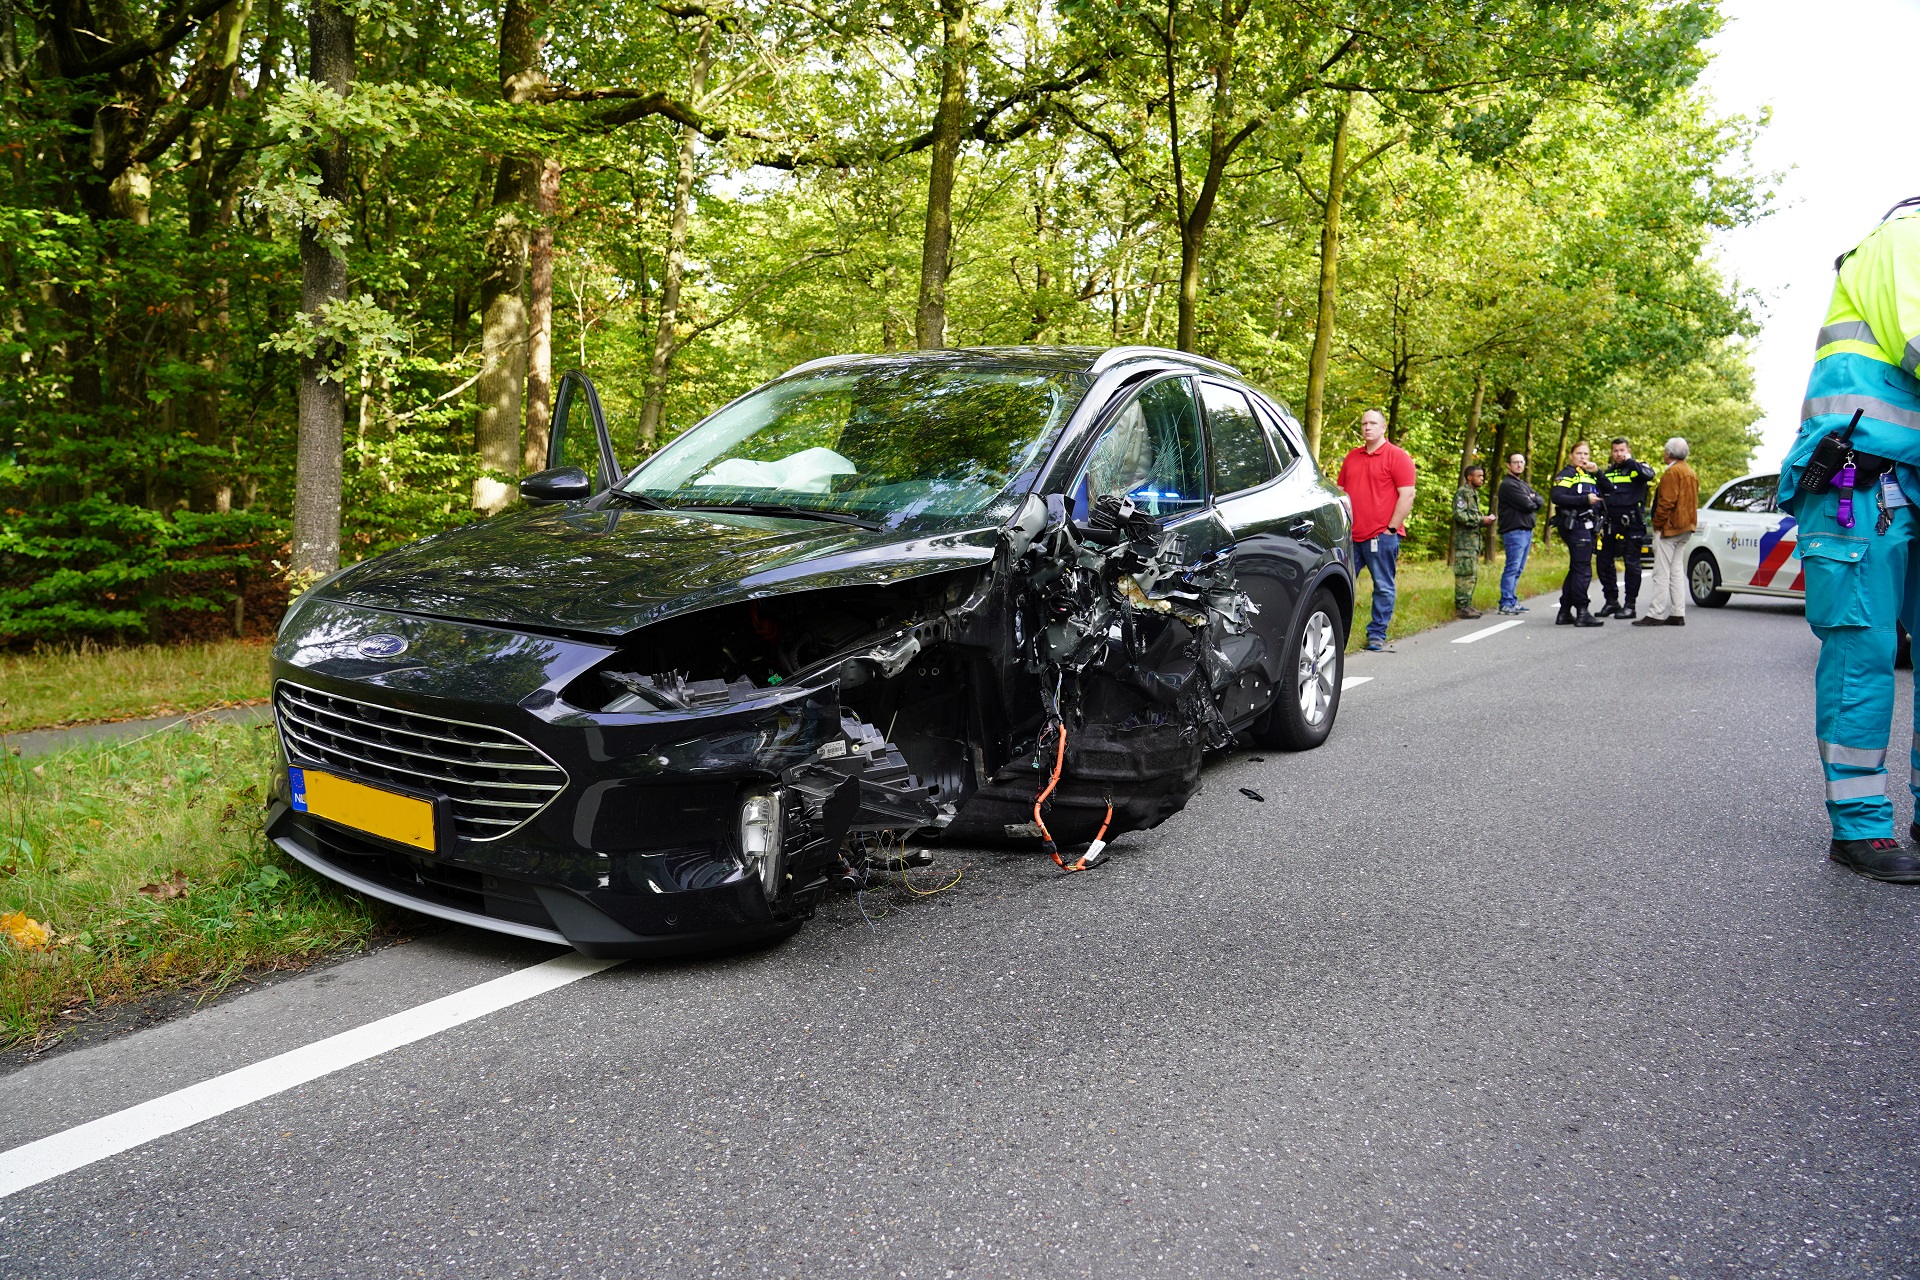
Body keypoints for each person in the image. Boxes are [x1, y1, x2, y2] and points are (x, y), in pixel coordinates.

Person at [1775, 196, 1920, 883]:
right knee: (1863, 653)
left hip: (1895, 482)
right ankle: (1860, 825)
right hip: (1862, 486)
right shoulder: (1908, 235)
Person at [1336, 408, 1417, 652]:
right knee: (1342, 585)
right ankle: (1338, 634)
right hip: (1351, 536)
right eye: (1363, 424)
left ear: (1383, 427)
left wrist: (1391, 529)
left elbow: (1408, 495)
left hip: (1381, 536)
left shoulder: (1398, 456)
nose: (1367, 427)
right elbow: (1340, 492)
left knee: (1382, 585)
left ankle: (1376, 634)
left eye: (1372, 423)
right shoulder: (1352, 457)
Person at [1633, 439, 1698, 628]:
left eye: (1664, 451)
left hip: (1670, 528)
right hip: (1686, 526)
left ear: (1669, 453)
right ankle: (1678, 612)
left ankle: (1656, 613)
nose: (1663, 454)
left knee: (1661, 571)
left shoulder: (1672, 472)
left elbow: (1667, 502)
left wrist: (1658, 524)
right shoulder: (1690, 472)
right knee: (1676, 571)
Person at [1595, 437, 1656, 619]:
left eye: (1622, 450)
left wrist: (1631, 461)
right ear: (1611, 452)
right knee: (1604, 562)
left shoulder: (1637, 468)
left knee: (1631, 563)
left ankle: (1630, 605)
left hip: (1632, 523)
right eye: (1615, 451)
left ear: (1628, 450)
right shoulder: (1609, 472)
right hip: (1611, 523)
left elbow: (1649, 475)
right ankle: (1611, 601)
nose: (1619, 454)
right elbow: (1602, 493)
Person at [1549, 441, 1605, 627]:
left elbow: (1610, 489)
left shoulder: (1590, 475)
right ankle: (1582, 612)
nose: (1583, 457)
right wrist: (1584, 499)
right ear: (1571, 455)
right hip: (1574, 525)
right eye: (1579, 453)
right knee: (1583, 569)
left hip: (1588, 526)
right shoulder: (1567, 474)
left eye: (1586, 454)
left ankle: (1565, 611)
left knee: (1577, 568)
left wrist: (1597, 472)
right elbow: (1557, 497)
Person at [1495, 453, 1543, 615]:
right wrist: (1531, 499)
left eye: (1521, 462)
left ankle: (1512, 600)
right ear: (1508, 465)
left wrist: (1533, 498)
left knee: (1519, 568)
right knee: (1512, 567)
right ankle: (1506, 602)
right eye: (1515, 462)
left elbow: (1540, 500)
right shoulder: (1508, 485)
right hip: (1515, 531)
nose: (1519, 465)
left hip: (1526, 531)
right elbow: (1528, 504)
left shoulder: (1521, 484)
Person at [1451, 464, 1496, 618]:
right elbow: (1460, 515)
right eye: (1479, 476)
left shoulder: (1473, 494)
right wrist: (1480, 519)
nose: (1482, 479)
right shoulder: (1463, 493)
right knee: (1464, 574)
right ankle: (1461, 606)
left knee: (1471, 574)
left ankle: (1468, 604)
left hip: (1472, 543)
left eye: (1483, 476)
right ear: (1469, 477)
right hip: (1464, 543)